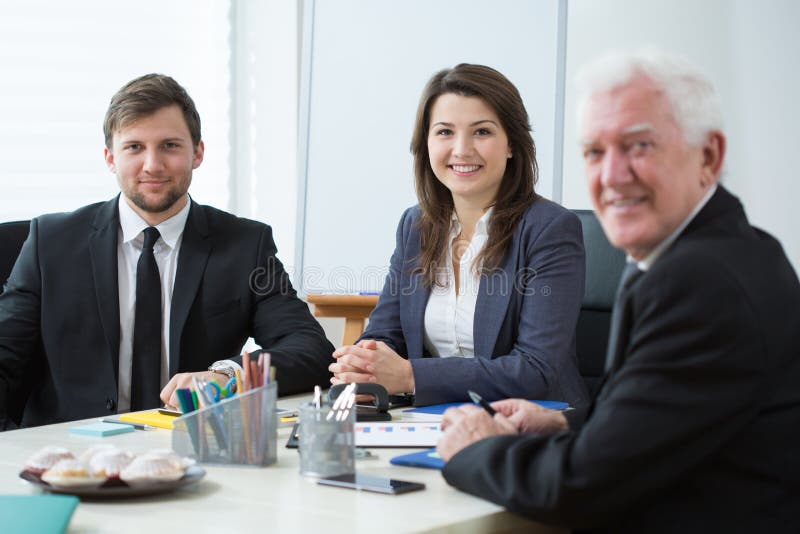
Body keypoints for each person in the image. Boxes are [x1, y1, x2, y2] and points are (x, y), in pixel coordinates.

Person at [436, 51, 800, 532]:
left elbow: (579, 487)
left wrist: (478, 446)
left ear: (708, 156)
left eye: (639, 146)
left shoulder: (700, 283)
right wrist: (566, 423)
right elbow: (660, 419)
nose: (611, 176)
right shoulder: (721, 248)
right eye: (595, 152)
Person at [0, 74, 334, 429]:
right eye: (134, 148)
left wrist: (227, 375)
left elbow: (310, 349)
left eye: (170, 146)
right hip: (71, 458)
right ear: (110, 157)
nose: (152, 165)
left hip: (193, 453)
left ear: (198, 153)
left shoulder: (244, 245)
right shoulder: (50, 243)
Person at [330, 64, 588, 408]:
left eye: (481, 132)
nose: (462, 149)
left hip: (529, 427)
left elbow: (536, 369)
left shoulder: (549, 229)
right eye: (445, 132)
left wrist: (410, 376)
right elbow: (386, 334)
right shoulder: (415, 225)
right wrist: (364, 363)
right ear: (426, 143)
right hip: (431, 421)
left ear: (511, 144)